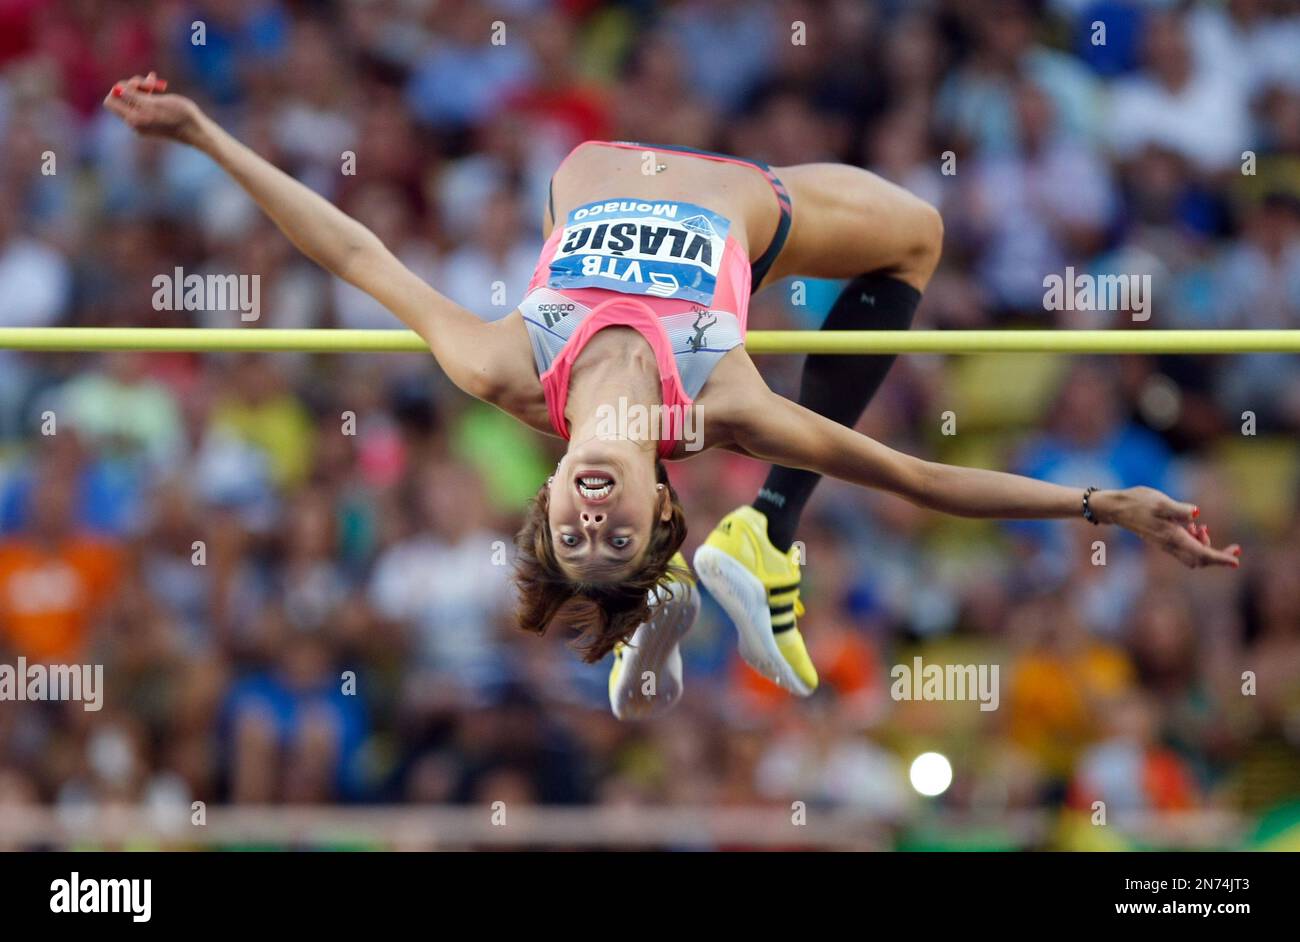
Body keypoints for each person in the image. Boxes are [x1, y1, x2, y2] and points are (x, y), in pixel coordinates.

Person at [103, 73, 1242, 721]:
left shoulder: (504, 368)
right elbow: (921, 480)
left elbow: (356, 255)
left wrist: (205, 134)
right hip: (758, 203)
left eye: (571, 532)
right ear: (659, 514)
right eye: (617, 539)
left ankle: (737, 562)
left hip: (592, 158)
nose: (590, 519)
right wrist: (1104, 505)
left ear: (548, 495)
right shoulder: (726, 399)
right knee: (917, 236)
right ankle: (770, 529)